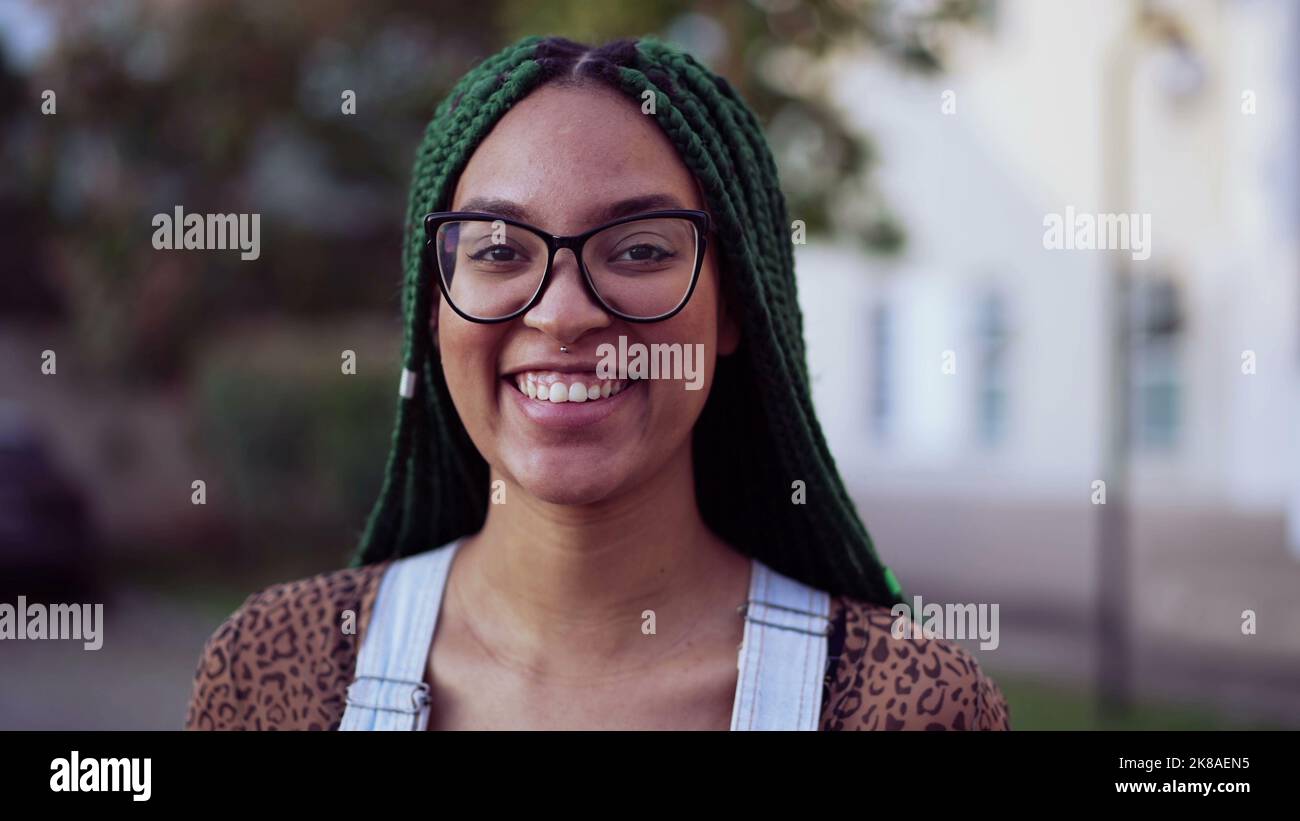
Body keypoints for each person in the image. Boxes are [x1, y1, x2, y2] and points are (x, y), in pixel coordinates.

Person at [185, 35, 1011, 731]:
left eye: (642, 249)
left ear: (735, 309)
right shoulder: (279, 675)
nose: (564, 313)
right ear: (433, 310)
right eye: (500, 250)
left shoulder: (898, 705)